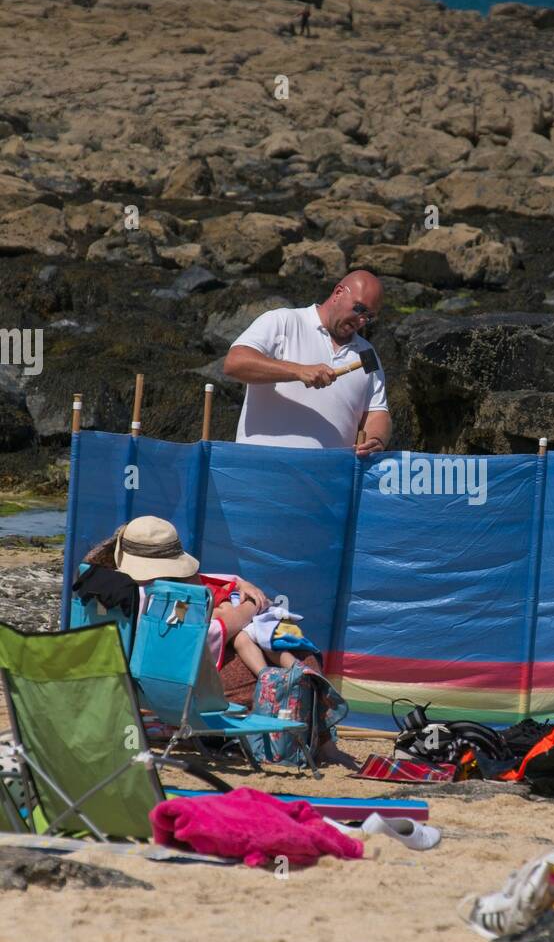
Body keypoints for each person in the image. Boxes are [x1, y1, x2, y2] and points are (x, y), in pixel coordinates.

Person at [81, 516, 356, 768]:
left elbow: (210, 597)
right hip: (184, 685)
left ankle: (314, 738)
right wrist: (251, 607)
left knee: (273, 650)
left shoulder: (108, 584)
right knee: (293, 654)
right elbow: (214, 632)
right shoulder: (162, 600)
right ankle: (320, 744)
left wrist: (238, 583)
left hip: (147, 681)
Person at [223, 270, 391, 455]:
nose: (361, 320)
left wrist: (376, 440)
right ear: (338, 293)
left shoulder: (367, 354)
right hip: (263, 470)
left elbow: (377, 412)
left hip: (329, 479)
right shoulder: (284, 321)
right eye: (359, 308)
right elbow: (235, 362)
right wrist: (297, 371)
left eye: (369, 316)